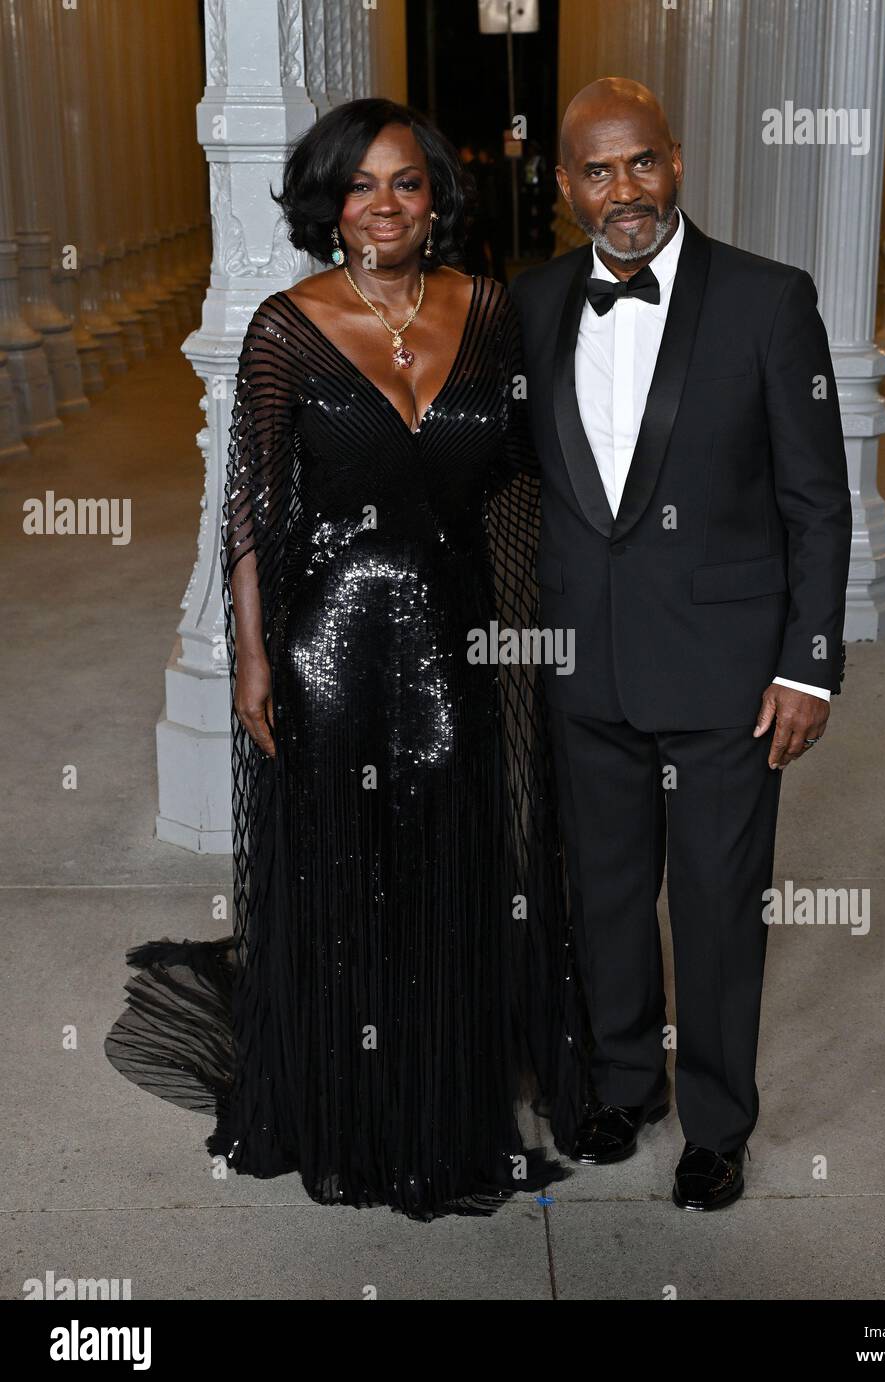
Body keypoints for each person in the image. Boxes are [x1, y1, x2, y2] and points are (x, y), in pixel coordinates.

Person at [105, 98, 589, 1222]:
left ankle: (439, 1086)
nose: (386, 205)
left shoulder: (492, 310)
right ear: (328, 201)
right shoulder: (286, 324)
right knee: (347, 874)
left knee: (451, 857)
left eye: (407, 182)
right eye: (362, 185)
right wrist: (251, 658)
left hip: (459, 640)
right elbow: (251, 509)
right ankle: (347, 1093)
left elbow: (530, 472)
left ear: (438, 196)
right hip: (330, 645)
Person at [509, 78, 852, 1211]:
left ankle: (717, 1121)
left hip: (727, 673)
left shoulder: (767, 299)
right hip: (584, 666)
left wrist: (807, 661)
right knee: (605, 890)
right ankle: (621, 1083)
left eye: (642, 162)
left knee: (714, 900)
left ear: (678, 164)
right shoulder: (535, 303)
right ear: (565, 187)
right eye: (597, 171)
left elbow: (817, 498)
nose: (625, 190)